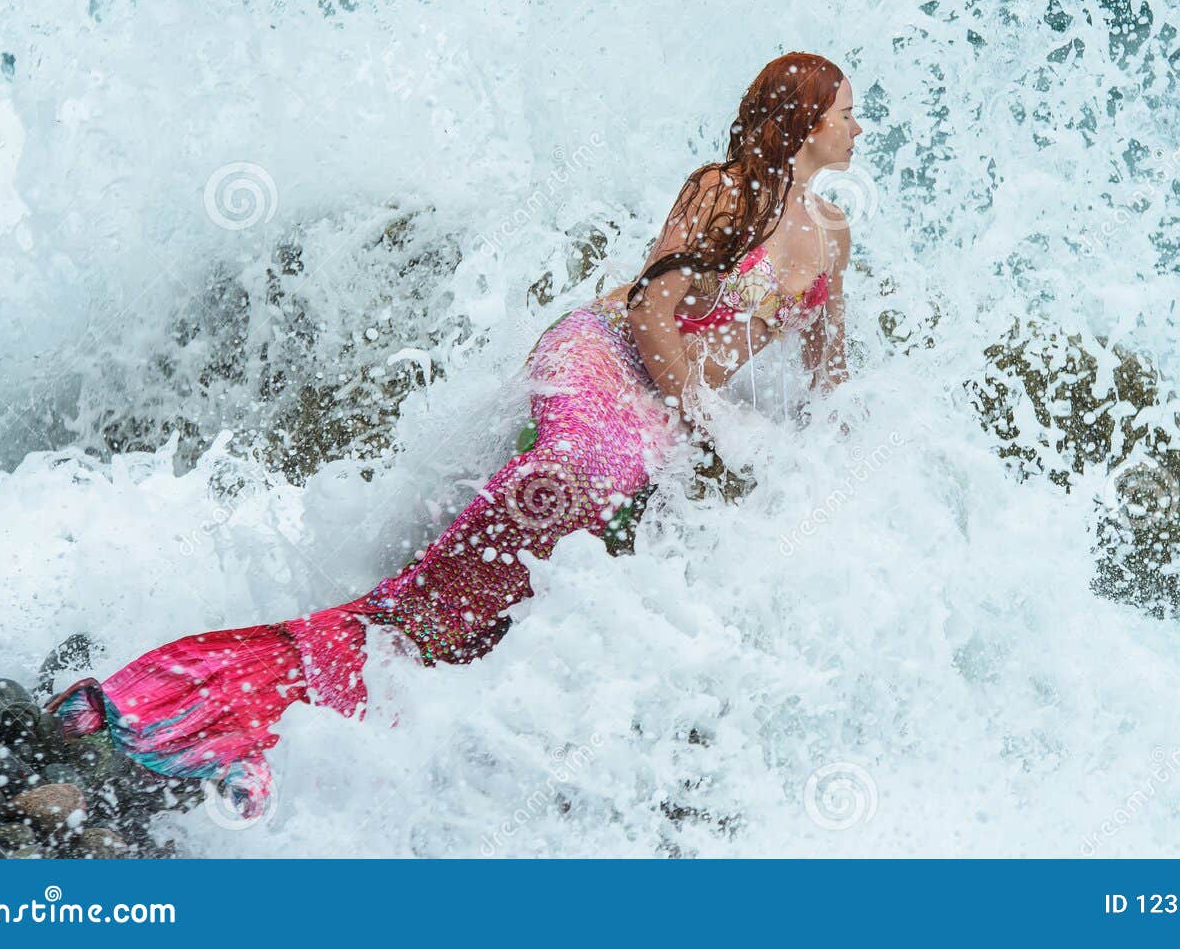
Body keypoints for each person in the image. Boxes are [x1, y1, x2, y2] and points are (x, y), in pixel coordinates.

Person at [47, 51, 861, 814]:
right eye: (846, 114)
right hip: (608, 359)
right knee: (586, 468)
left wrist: (825, 452)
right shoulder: (720, 191)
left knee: (604, 502)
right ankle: (390, 630)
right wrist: (702, 420)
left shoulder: (832, 235)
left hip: (666, 402)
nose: (857, 130)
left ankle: (450, 658)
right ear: (804, 124)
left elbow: (829, 360)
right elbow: (651, 311)